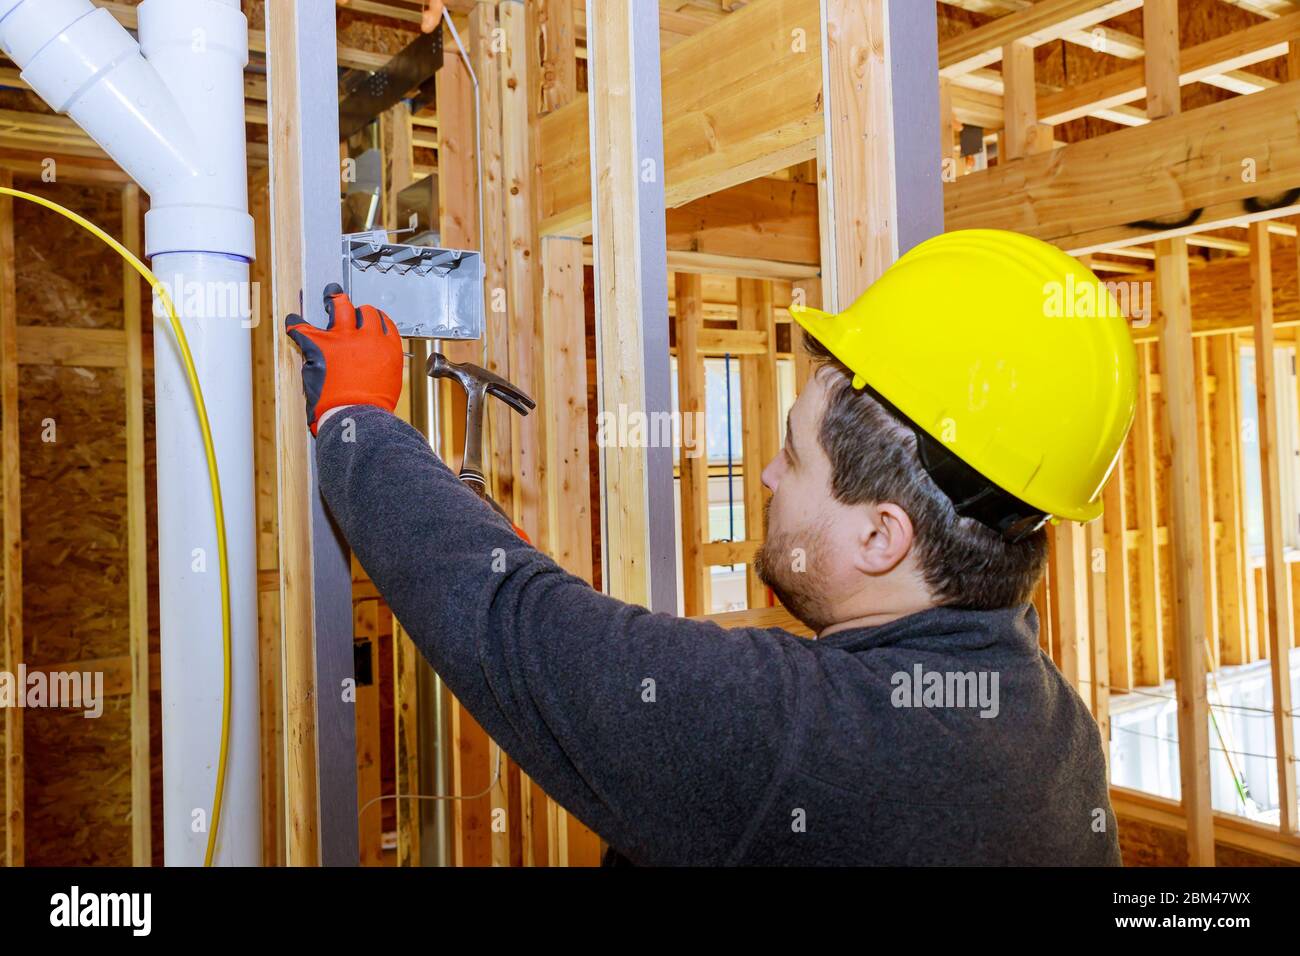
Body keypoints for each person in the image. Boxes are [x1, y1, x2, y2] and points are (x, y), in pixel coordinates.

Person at [285, 228, 1135, 865]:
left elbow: (516, 629)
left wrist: (356, 421)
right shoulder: (1052, 726)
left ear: (882, 535)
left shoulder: (801, 739)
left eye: (795, 455)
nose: (765, 473)